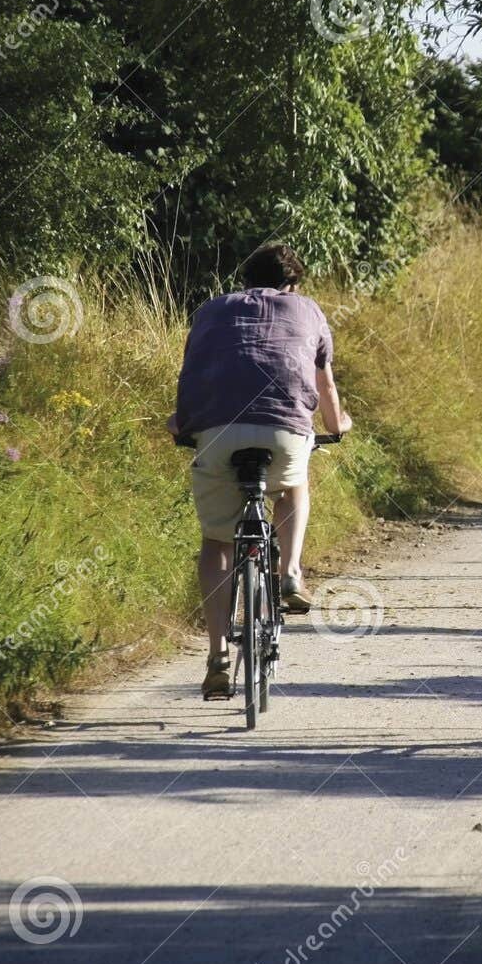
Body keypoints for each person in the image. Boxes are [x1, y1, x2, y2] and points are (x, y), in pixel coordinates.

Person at [168, 243, 351, 698]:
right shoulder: (307, 309)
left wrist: (181, 423)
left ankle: (216, 658)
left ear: (246, 279)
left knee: (215, 541)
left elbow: (192, 371)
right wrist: (337, 424)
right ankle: (290, 572)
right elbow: (323, 383)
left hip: (215, 429)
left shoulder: (212, 309)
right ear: (292, 284)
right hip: (283, 431)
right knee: (293, 484)